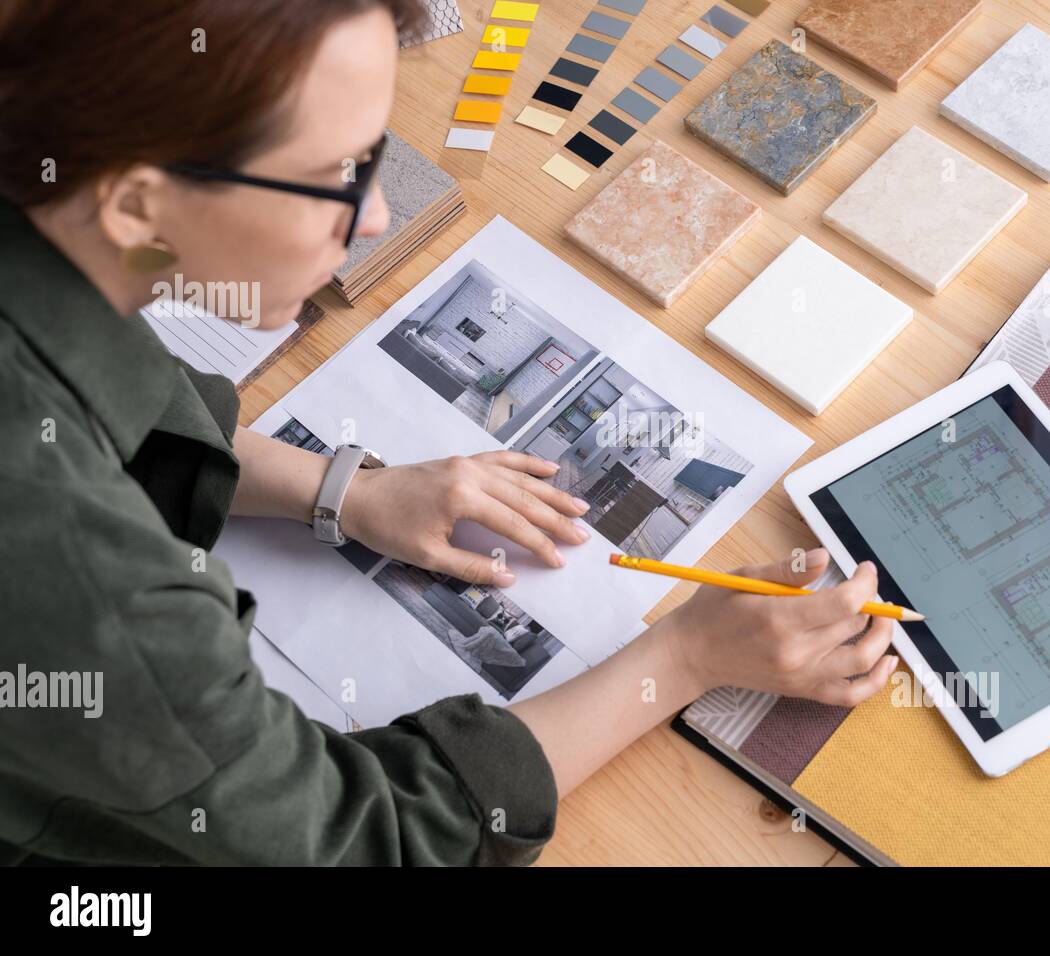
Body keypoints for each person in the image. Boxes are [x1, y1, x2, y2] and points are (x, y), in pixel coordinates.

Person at [0, 0, 898, 866]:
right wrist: (688, 653)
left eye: (376, 155)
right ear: (133, 206)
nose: (379, 215)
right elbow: (359, 841)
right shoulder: (77, 571)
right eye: (332, 177)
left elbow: (129, 412)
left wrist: (344, 489)